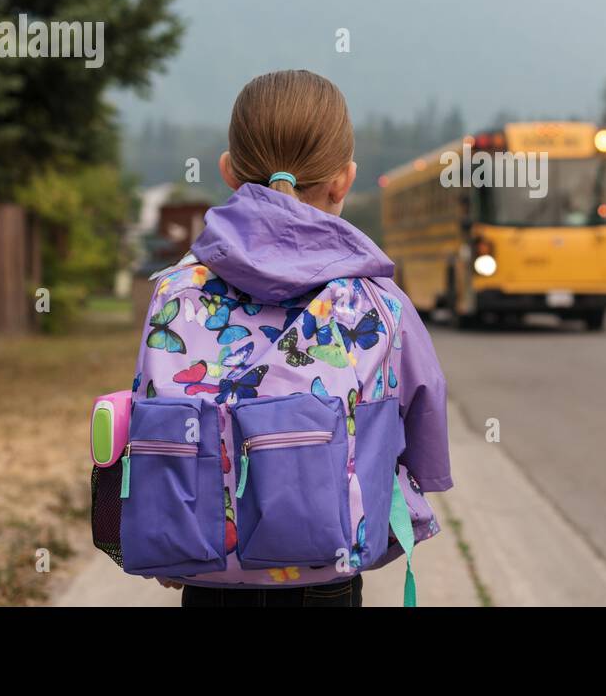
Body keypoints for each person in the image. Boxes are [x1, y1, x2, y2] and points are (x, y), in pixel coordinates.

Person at [128, 69, 452, 607]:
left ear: (230, 172)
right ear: (344, 180)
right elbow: (426, 436)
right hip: (326, 582)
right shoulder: (378, 303)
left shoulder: (177, 291)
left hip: (208, 575)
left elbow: (150, 409)